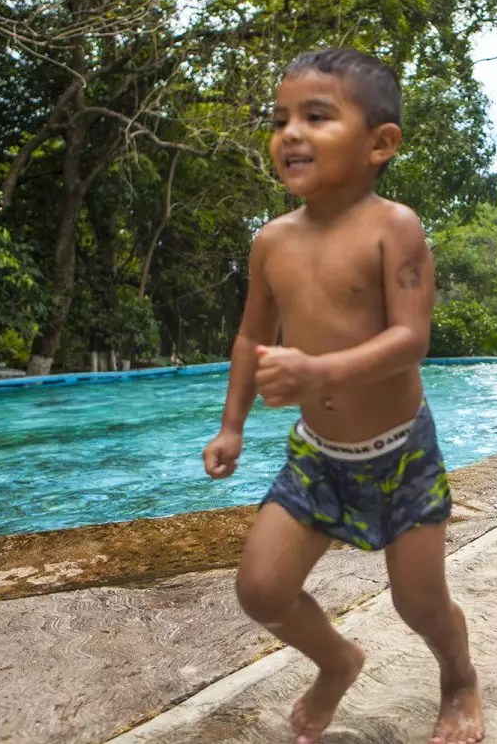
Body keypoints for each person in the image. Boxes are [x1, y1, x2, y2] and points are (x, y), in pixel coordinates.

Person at [202, 49, 482, 744]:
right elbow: (249, 340)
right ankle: (336, 662)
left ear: (380, 144)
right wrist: (231, 426)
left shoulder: (395, 227)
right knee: (260, 590)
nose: (290, 133)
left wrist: (318, 373)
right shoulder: (271, 242)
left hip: (400, 456)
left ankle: (459, 675)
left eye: (316, 117)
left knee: (419, 603)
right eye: (280, 119)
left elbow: (412, 340)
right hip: (318, 457)